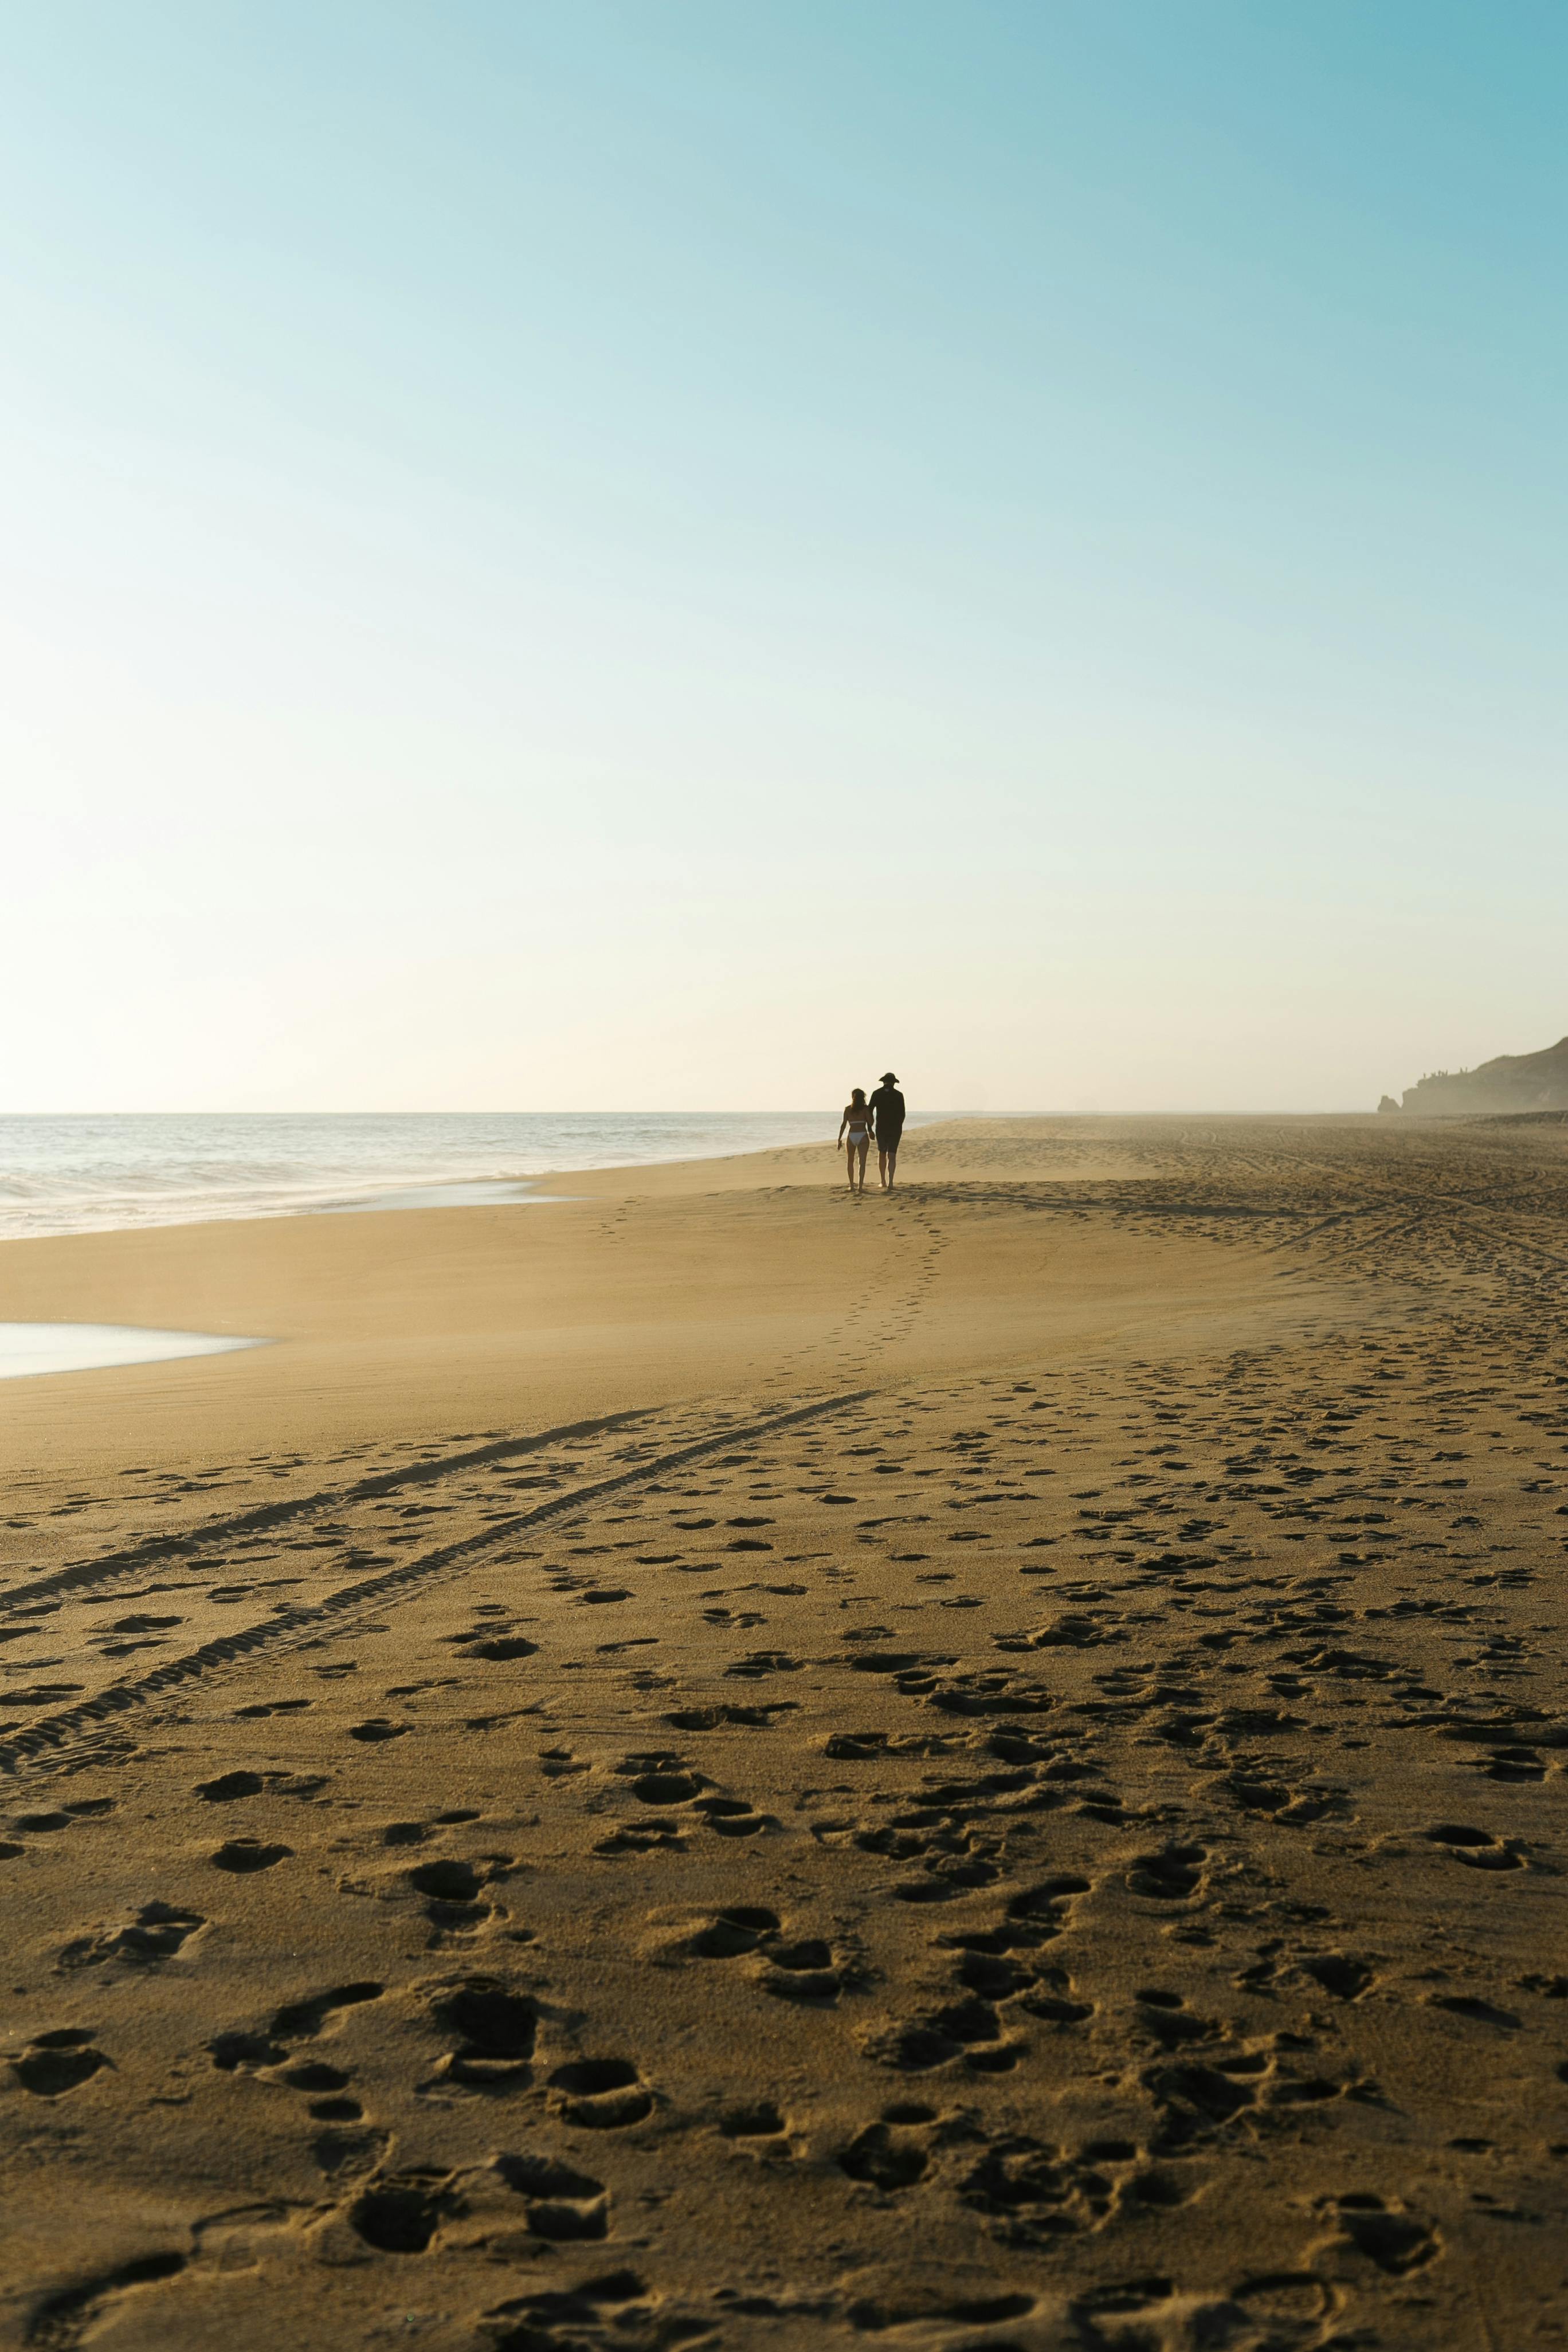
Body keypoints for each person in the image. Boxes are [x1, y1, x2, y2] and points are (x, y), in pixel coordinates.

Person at [869, 1071, 905, 1190]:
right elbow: (902, 1114)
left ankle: (883, 1181)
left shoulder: (877, 1094)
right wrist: (898, 1126)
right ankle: (890, 1182)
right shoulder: (899, 1095)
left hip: (881, 1128)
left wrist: (869, 1128)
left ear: (884, 1082)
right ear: (894, 1083)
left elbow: (869, 1112)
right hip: (895, 1128)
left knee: (882, 1153)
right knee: (892, 1155)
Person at [837, 1088, 873, 1194]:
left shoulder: (848, 1109)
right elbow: (871, 1122)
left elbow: (843, 1125)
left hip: (851, 1135)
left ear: (853, 1097)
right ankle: (860, 1187)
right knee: (862, 1162)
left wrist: (839, 1139)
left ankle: (852, 1185)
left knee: (850, 1161)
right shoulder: (865, 1109)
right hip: (862, 1135)